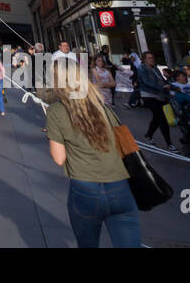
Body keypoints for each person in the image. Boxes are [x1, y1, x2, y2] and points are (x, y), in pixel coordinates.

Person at [45, 58, 141, 248]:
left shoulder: (57, 111)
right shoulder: (101, 104)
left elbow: (59, 158)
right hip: (120, 186)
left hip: (85, 187)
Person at [135, 51, 175, 150]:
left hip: (160, 95)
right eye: (149, 58)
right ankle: (169, 143)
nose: (152, 59)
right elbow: (147, 82)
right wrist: (162, 87)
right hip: (148, 95)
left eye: (152, 57)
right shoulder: (141, 69)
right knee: (161, 117)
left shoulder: (156, 68)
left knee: (157, 117)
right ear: (144, 60)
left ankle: (148, 135)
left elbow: (161, 80)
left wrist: (170, 85)